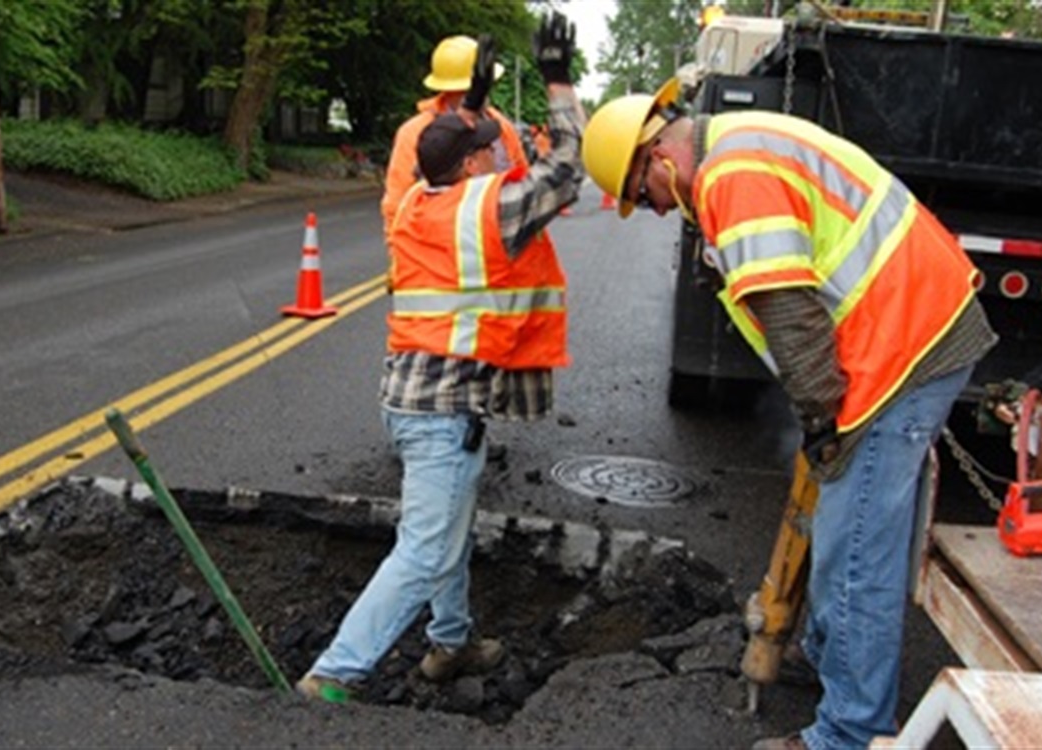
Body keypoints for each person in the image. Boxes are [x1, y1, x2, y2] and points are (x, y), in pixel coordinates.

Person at [581, 81, 996, 749]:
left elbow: (791, 315)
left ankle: (850, 732)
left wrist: (822, 418)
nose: (655, 210)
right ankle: (830, 660)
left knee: (856, 549)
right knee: (846, 523)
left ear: (657, 157)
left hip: (903, 344)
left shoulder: (730, 177)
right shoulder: (739, 146)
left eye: (644, 194)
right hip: (907, 329)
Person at [298, 13, 583, 700]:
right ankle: (333, 678)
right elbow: (566, 169)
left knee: (447, 520)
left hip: (408, 398)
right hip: (445, 411)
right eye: (483, 145)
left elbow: (465, 168)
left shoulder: (413, 206)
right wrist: (557, 81)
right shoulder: (488, 212)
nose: (494, 151)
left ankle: (450, 645)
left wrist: (478, 108)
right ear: (468, 164)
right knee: (425, 547)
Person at [379, 34, 529, 235]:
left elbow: (522, 178)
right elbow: (398, 205)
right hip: (441, 249)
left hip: (497, 242)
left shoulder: (501, 126)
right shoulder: (414, 133)